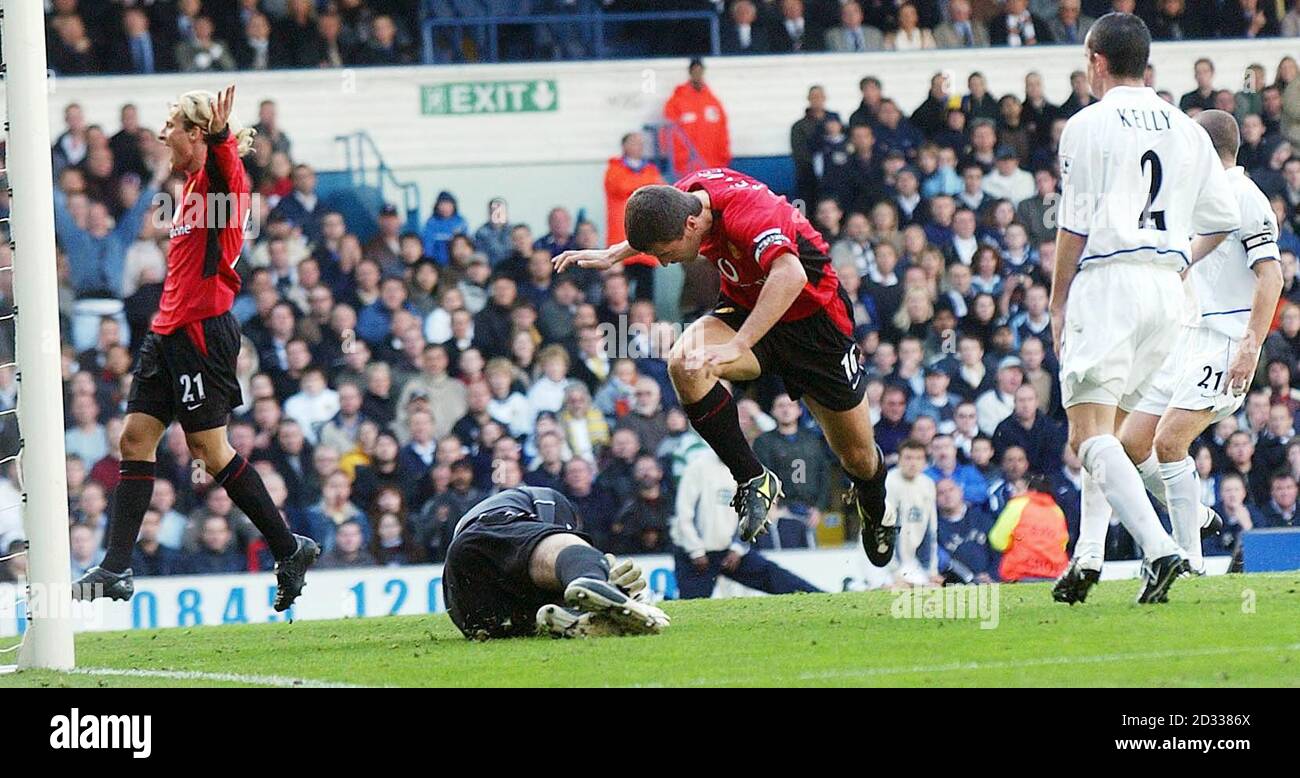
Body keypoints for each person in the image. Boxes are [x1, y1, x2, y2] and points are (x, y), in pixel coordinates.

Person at [553, 167, 894, 568]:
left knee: (857, 458)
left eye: (664, 252)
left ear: (691, 224)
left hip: (815, 330)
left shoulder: (751, 212)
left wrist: (738, 344)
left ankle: (875, 507)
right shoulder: (684, 199)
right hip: (747, 309)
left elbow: (790, 273)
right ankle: (753, 477)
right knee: (685, 363)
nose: (663, 264)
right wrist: (615, 253)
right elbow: (661, 222)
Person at [73, 86, 319, 610]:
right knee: (135, 439)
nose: (163, 134)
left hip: (202, 335)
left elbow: (232, 172)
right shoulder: (185, 190)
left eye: (171, 126)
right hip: (166, 333)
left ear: (196, 134)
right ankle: (116, 566)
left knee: (211, 451)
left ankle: (287, 546)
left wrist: (224, 136)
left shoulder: (219, 184)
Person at [1048, 15, 1239, 605]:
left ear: (1095, 59)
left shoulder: (1087, 124)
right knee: (1108, 437)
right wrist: (1180, 261)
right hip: (1166, 292)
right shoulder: (1187, 129)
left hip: (1111, 283)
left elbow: (1073, 223)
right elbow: (1221, 219)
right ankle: (1089, 557)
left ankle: (1160, 550)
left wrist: (1058, 300)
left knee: (1087, 435)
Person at [1058, 109, 1283, 599]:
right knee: (1129, 443)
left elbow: (1272, 275)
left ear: (1203, 148)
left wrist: (1251, 346)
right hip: (1184, 338)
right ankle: (1196, 515)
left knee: (1170, 443)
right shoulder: (1196, 198)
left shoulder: (1244, 196)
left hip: (1225, 341)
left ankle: (1190, 562)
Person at [442, 485, 669, 639]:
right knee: (579, 556)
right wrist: (592, 564)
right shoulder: (548, 499)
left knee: (537, 611)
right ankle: (591, 579)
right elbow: (556, 548)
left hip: (463, 600)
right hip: (490, 531)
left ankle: (573, 618)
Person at [671, 446, 819, 599]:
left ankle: (819, 597)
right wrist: (696, 551)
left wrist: (738, 548)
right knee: (693, 605)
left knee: (774, 576)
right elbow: (683, 516)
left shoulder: (744, 468)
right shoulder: (697, 467)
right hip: (694, 555)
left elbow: (749, 513)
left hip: (728, 551)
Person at [989, 474, 1069, 582]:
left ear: (1028, 488)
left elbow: (997, 540)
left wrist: (1015, 544)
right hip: (1053, 573)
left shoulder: (1017, 505)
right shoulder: (1057, 511)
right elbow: (1062, 544)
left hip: (1021, 572)